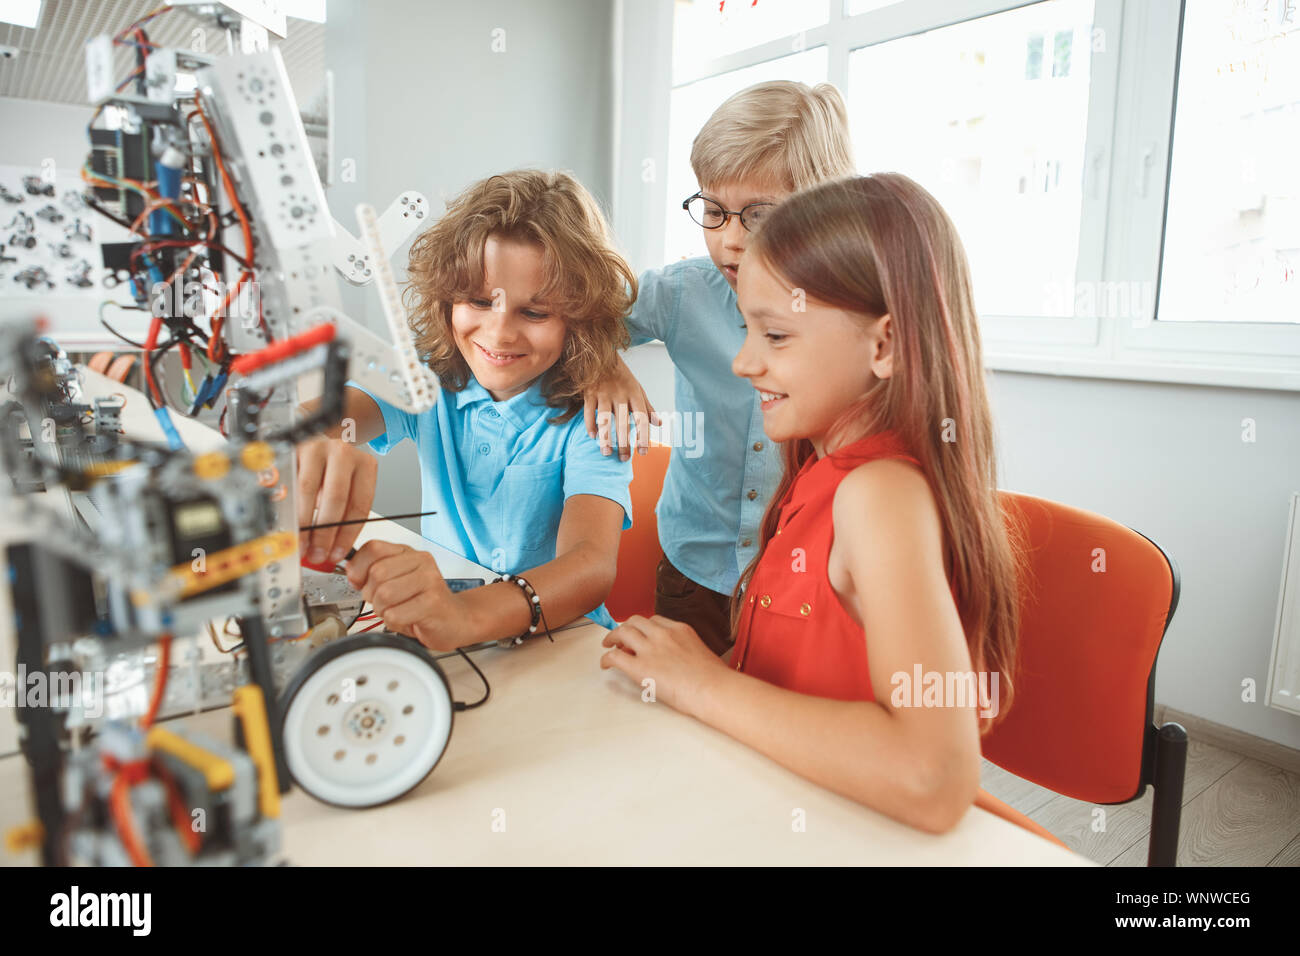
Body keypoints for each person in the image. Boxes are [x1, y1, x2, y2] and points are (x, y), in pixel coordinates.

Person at [599, 174, 1025, 834]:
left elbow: (933, 776)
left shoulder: (879, 495)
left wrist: (703, 685)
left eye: (775, 337)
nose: (743, 363)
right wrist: (695, 671)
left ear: (882, 345)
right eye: (747, 330)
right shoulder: (816, 468)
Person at [296, 169, 637, 651]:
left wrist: (465, 616)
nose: (499, 334)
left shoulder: (595, 413)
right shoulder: (424, 374)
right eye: (479, 301)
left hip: (560, 645)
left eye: (535, 313)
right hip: (450, 633)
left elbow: (590, 565)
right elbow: (315, 423)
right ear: (446, 298)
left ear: (578, 321)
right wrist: (303, 446)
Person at [583, 80, 856, 656]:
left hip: (807, 581)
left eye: (758, 215)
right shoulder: (684, 292)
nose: (730, 241)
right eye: (713, 211)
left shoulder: (852, 319)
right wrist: (603, 360)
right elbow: (570, 319)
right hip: (695, 571)